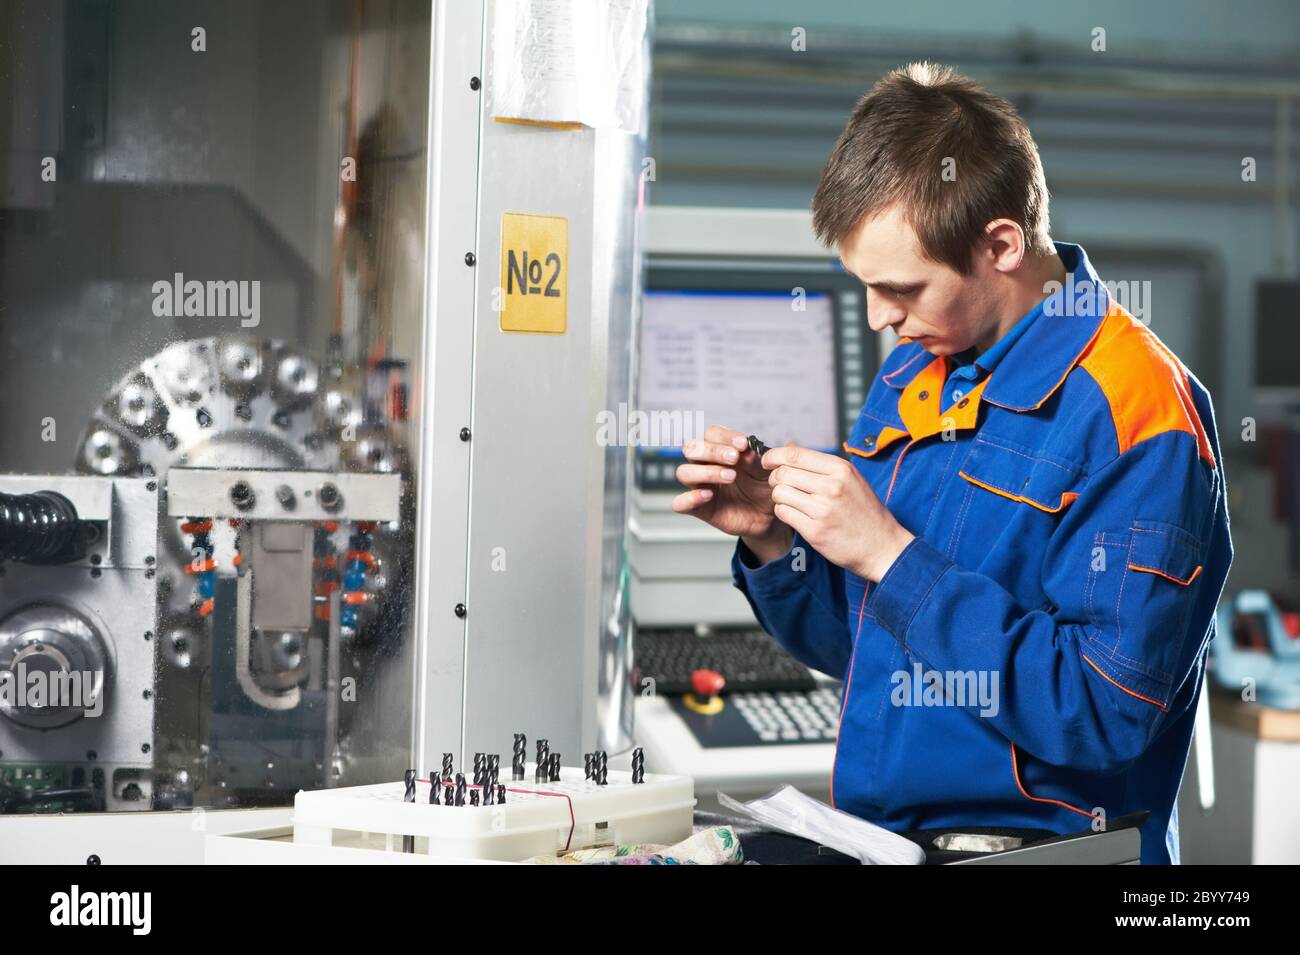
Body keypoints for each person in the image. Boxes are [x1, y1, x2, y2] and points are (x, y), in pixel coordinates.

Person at [673, 63, 1232, 864]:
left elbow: (1103, 712)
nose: (878, 319)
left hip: (1044, 856)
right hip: (881, 840)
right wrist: (773, 540)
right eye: (863, 286)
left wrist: (891, 556)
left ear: (1002, 244)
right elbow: (864, 646)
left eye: (900, 288)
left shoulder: (1138, 411)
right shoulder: (919, 369)